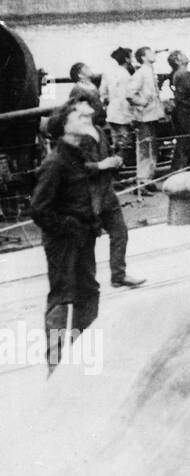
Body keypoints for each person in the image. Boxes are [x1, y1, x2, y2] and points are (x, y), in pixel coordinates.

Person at [30, 100, 104, 371]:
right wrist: (68, 226)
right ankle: (56, 367)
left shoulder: (76, 153)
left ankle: (80, 360)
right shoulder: (56, 162)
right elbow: (39, 209)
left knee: (87, 292)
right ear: (63, 124)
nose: (87, 117)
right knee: (62, 297)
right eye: (79, 115)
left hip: (82, 236)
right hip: (63, 240)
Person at [67, 93, 144, 289]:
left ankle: (119, 275)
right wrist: (100, 165)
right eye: (81, 105)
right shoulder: (74, 137)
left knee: (120, 233)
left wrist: (116, 161)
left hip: (106, 193)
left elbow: (107, 156)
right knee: (87, 241)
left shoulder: (99, 131)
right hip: (87, 196)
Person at [125, 46, 166, 186]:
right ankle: (142, 181)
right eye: (150, 52)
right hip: (144, 117)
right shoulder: (141, 73)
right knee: (145, 150)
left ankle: (148, 179)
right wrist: (143, 103)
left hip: (153, 116)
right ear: (143, 57)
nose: (154, 54)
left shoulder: (149, 72)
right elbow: (130, 94)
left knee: (152, 148)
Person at [167, 50, 190, 170]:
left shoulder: (182, 74)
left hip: (188, 111)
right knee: (186, 141)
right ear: (177, 61)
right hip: (185, 113)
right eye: (181, 55)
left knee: (189, 140)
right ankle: (180, 168)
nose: (185, 56)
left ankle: (188, 166)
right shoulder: (183, 75)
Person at [100, 46, 135, 163]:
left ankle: (116, 166)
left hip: (112, 112)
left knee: (117, 142)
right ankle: (122, 163)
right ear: (127, 59)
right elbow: (127, 96)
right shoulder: (126, 76)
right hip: (123, 113)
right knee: (126, 142)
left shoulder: (109, 73)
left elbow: (103, 92)